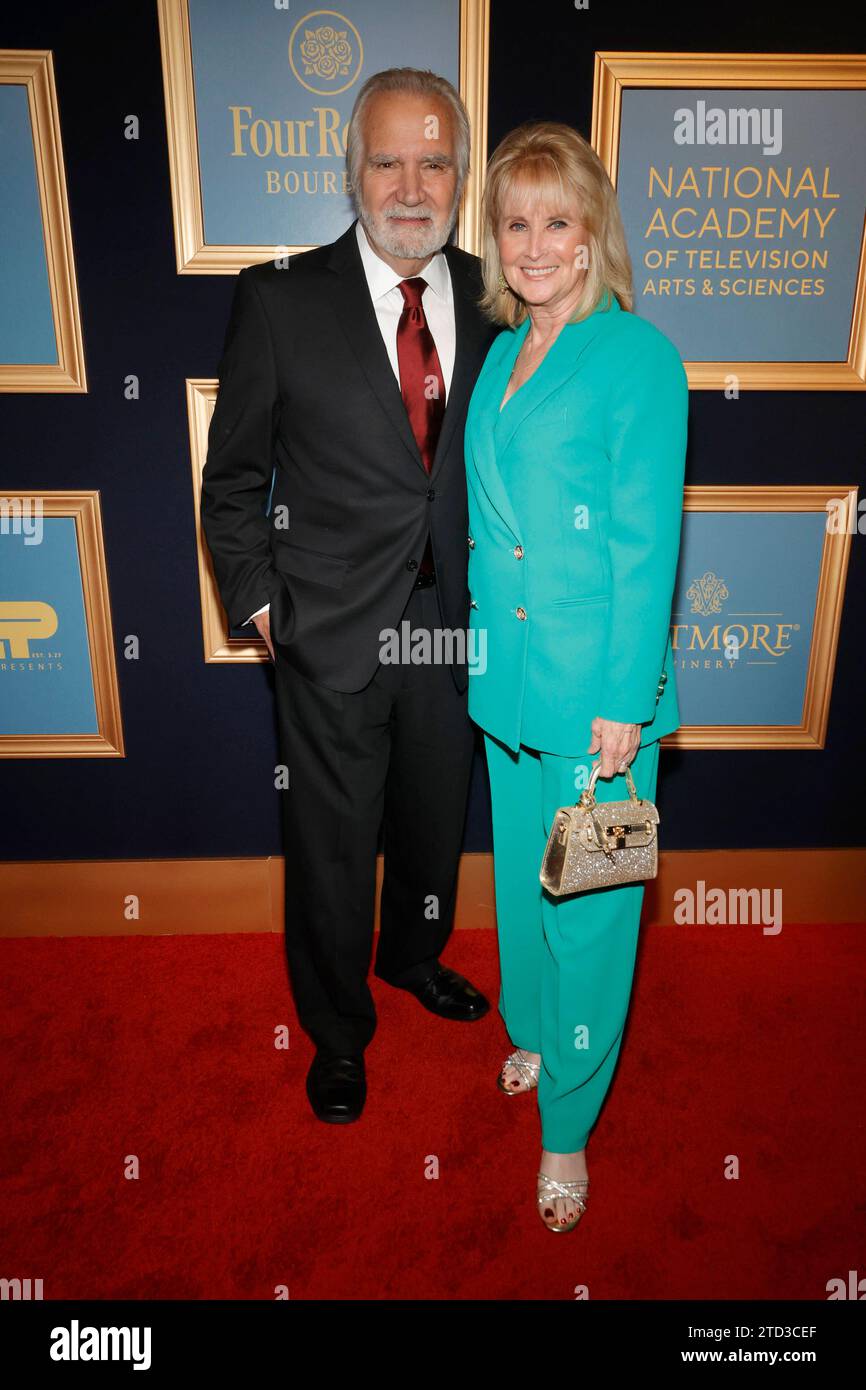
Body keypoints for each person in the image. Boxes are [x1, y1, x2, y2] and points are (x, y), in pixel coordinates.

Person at [201, 68, 498, 1125]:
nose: (411, 187)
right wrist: (263, 606)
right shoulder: (278, 299)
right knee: (330, 846)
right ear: (351, 171)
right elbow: (233, 478)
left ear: (461, 177)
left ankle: (412, 955)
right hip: (328, 628)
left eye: (435, 163)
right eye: (387, 161)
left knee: (433, 816)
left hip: (456, 626)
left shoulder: (499, 296)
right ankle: (335, 1031)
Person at [464, 121, 688, 1231]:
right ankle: (538, 1038)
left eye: (557, 221)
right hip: (507, 688)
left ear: (594, 232)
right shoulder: (502, 353)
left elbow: (646, 544)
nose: (535, 244)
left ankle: (568, 1127)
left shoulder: (636, 355)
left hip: (597, 700)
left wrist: (622, 702)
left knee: (590, 915)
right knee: (522, 888)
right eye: (515, 222)